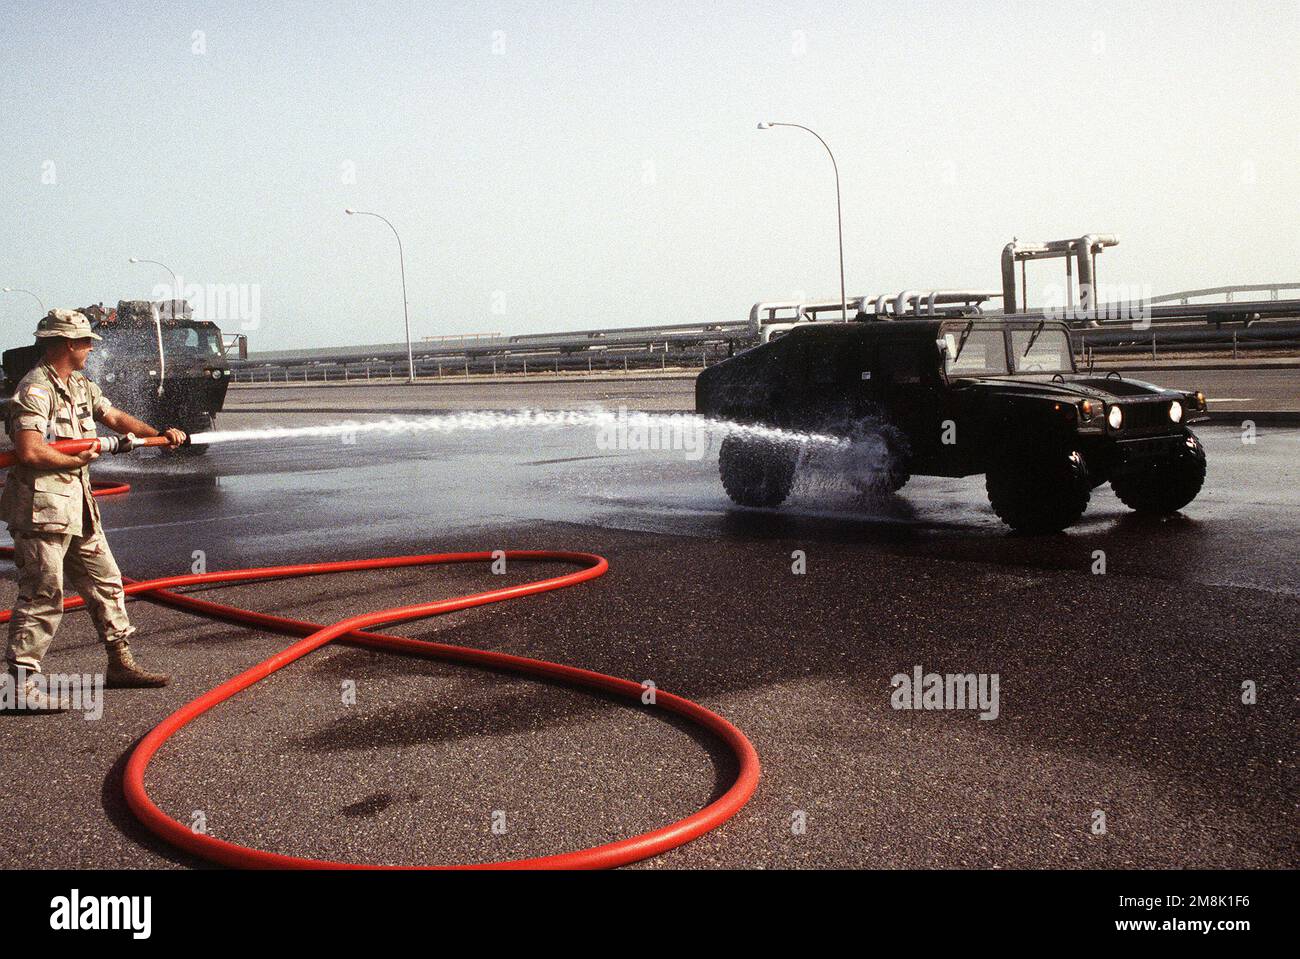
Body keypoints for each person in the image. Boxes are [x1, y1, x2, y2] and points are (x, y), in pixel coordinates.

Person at [1, 309, 186, 713]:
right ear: (68, 343)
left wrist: (158, 436)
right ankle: (18, 686)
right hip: (42, 509)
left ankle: (120, 664)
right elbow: (31, 450)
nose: (90, 349)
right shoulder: (34, 389)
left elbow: (113, 416)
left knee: (107, 582)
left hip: (78, 505)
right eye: (86, 342)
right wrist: (78, 459)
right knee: (42, 593)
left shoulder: (80, 383)